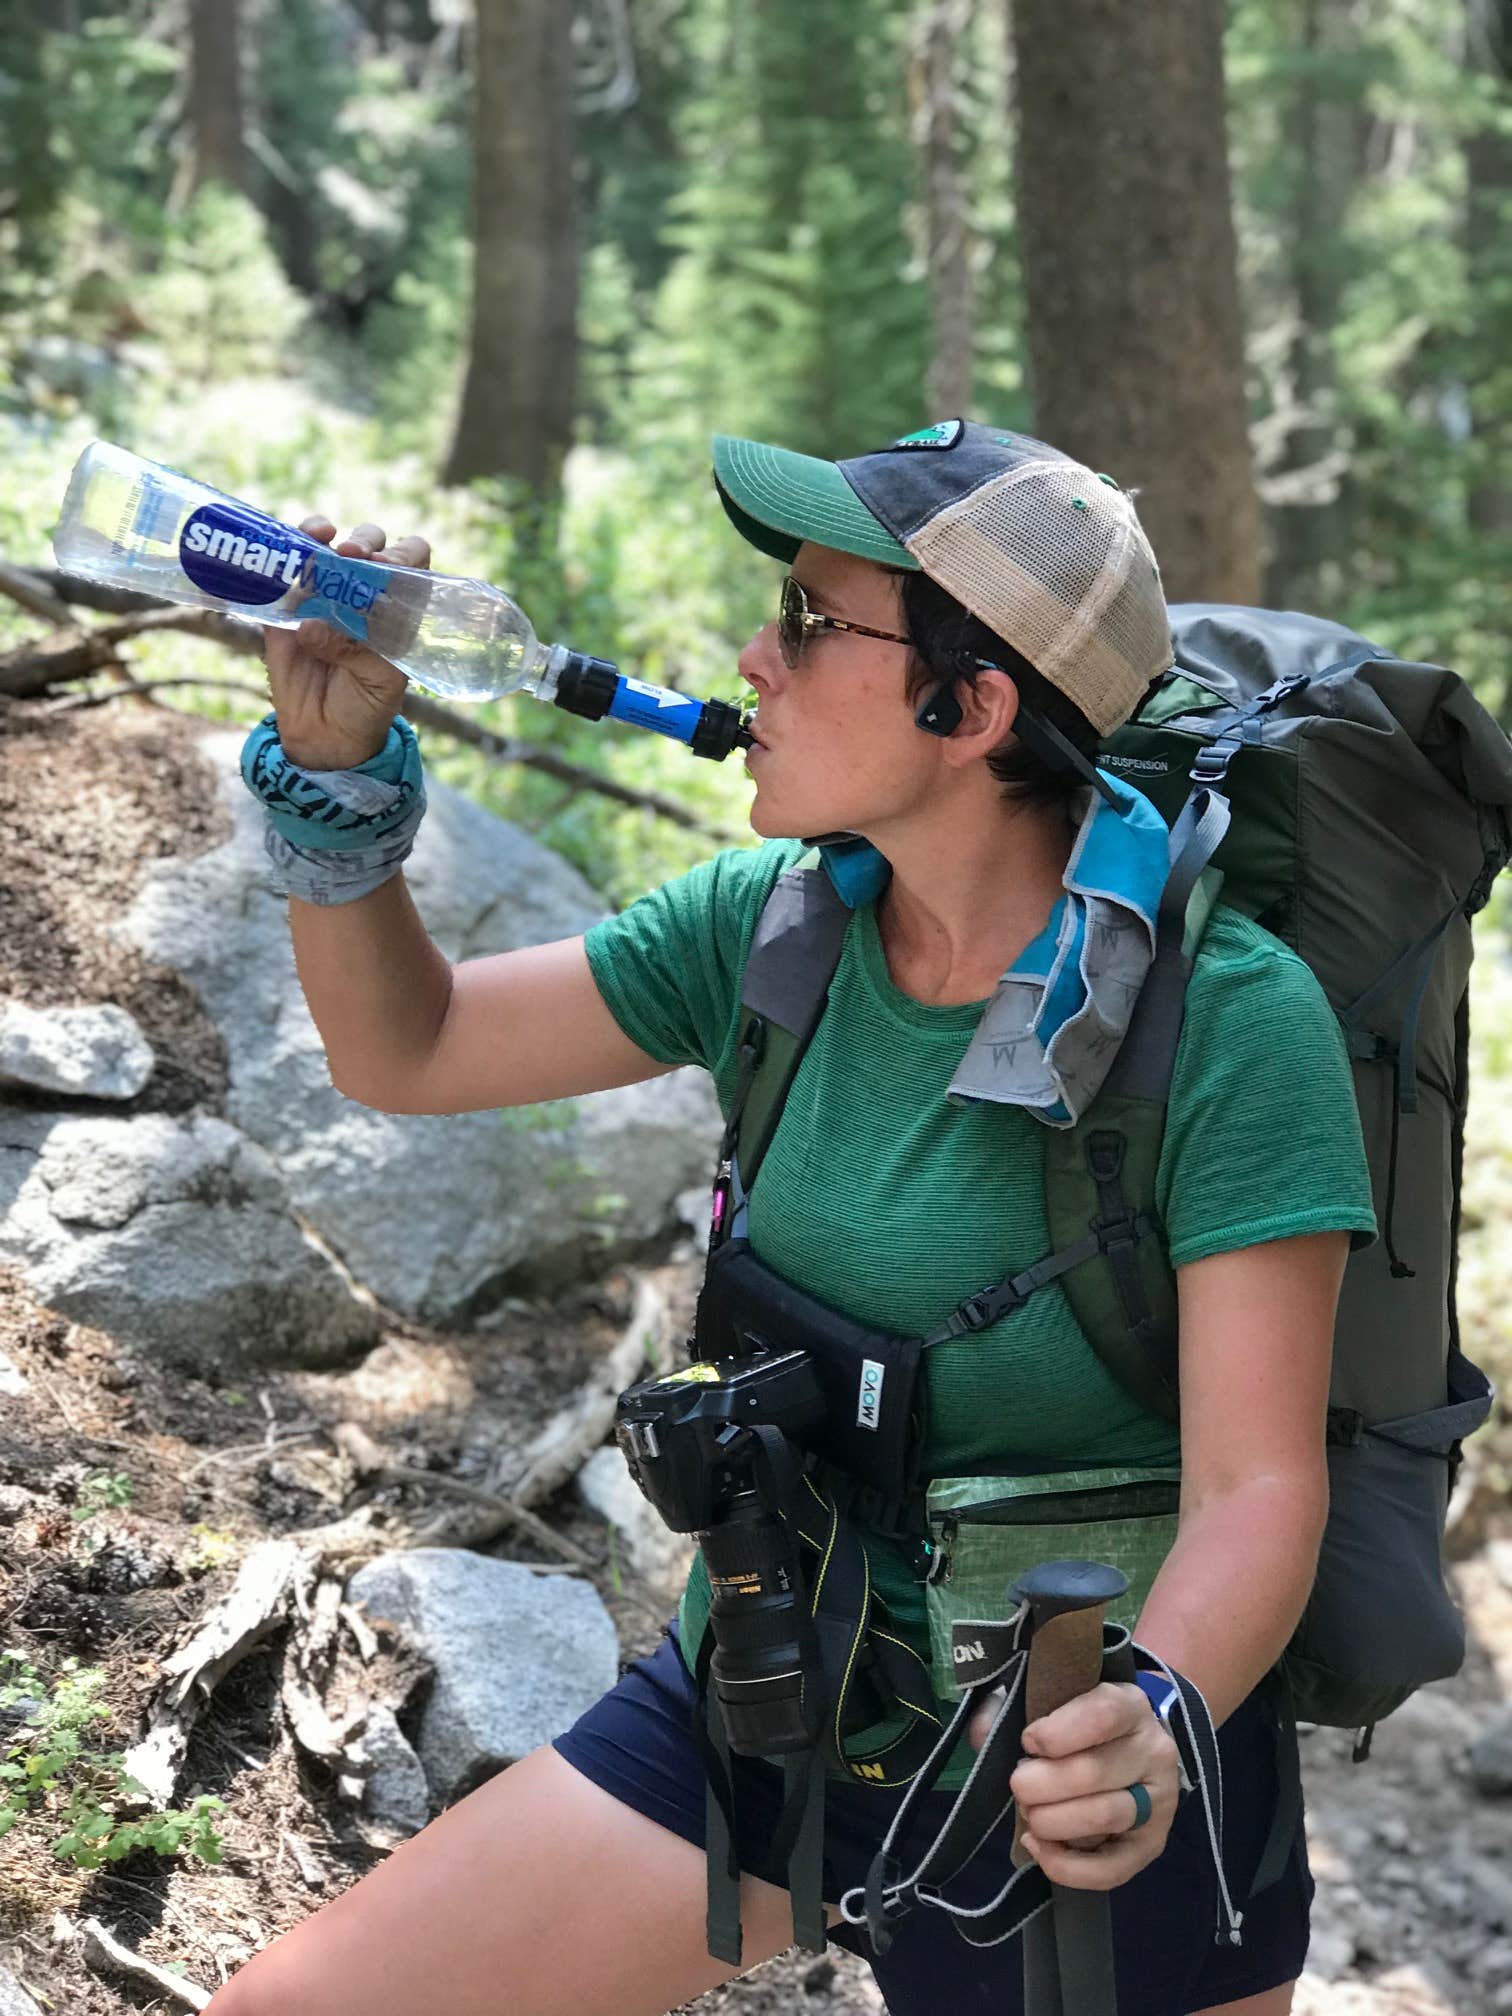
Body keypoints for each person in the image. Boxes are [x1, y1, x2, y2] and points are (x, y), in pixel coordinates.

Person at [209, 422, 1377, 2016]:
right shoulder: (777, 927)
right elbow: (403, 1051)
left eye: (814, 622)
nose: (754, 655)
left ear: (968, 707)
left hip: (1077, 1784)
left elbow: (1258, 1487)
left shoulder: (1230, 1025)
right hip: (769, 1688)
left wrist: (1154, 1725)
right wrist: (337, 786)